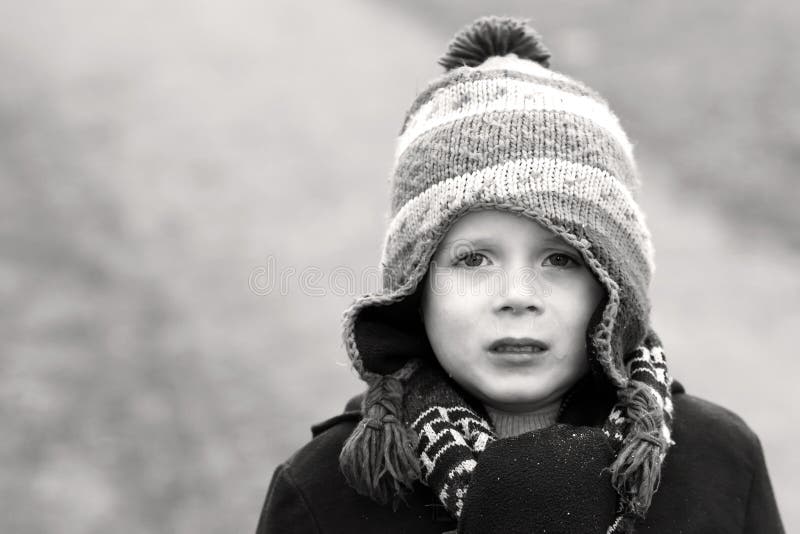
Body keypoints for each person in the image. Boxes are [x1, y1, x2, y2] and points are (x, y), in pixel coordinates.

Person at [256, 16, 784, 533]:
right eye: (472, 259)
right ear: (416, 286)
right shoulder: (329, 492)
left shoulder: (717, 463)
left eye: (561, 260)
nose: (516, 297)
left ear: (613, 286)